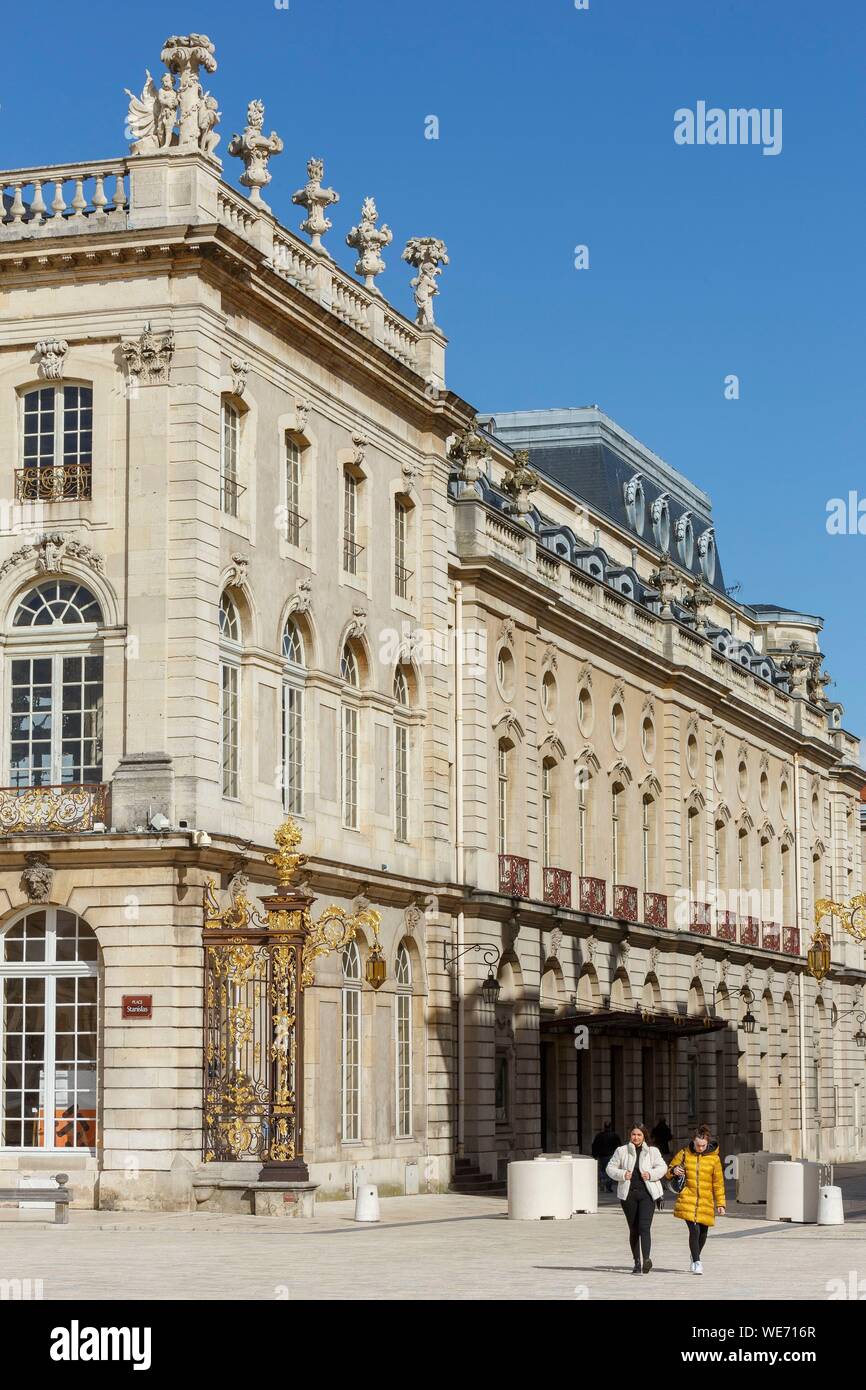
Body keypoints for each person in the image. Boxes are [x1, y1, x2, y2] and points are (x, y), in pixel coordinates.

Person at [606, 1122, 668, 1273]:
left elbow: (663, 1167)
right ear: (630, 1135)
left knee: (644, 1227)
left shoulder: (652, 1151)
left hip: (647, 1194)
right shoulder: (621, 1151)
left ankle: (646, 1259)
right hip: (629, 1195)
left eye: (639, 1134)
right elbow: (609, 1168)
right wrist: (622, 1174)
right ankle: (637, 1262)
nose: (636, 1137)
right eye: (633, 1134)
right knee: (634, 1229)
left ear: (644, 1136)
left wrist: (651, 1174)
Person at [667, 1123, 727, 1274]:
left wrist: (721, 1203)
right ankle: (697, 1261)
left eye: (703, 1145)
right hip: (688, 1197)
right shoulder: (684, 1153)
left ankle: (695, 1254)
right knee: (693, 1231)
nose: (700, 1148)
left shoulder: (714, 1159)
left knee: (703, 1233)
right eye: (698, 1145)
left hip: (706, 1200)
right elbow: (668, 1172)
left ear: (707, 1143)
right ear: (693, 1141)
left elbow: (718, 1183)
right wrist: (674, 1170)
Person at [591, 1121, 620, 1192]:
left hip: (602, 1156)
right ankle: (608, 1186)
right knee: (610, 1171)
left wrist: (595, 1155)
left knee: (602, 1171)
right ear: (610, 1127)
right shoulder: (614, 1135)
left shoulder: (599, 1135)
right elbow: (619, 1145)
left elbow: (594, 1145)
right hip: (611, 1155)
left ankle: (602, 1184)